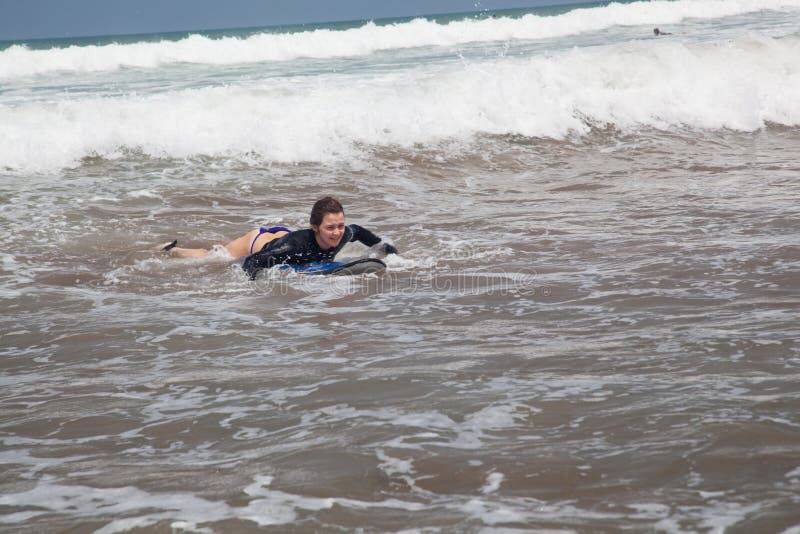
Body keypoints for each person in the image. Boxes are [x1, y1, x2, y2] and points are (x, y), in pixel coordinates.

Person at [241, 196, 397, 279]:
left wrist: (384, 248)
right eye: (330, 228)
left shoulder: (342, 234)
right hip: (256, 241)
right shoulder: (293, 246)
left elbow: (357, 231)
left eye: (340, 226)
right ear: (315, 227)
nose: (337, 232)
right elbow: (252, 261)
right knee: (219, 257)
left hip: (284, 236)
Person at [158, 225, 292, 259]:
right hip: (258, 243)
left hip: (279, 234)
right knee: (211, 256)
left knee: (227, 249)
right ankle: (169, 248)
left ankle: (232, 243)